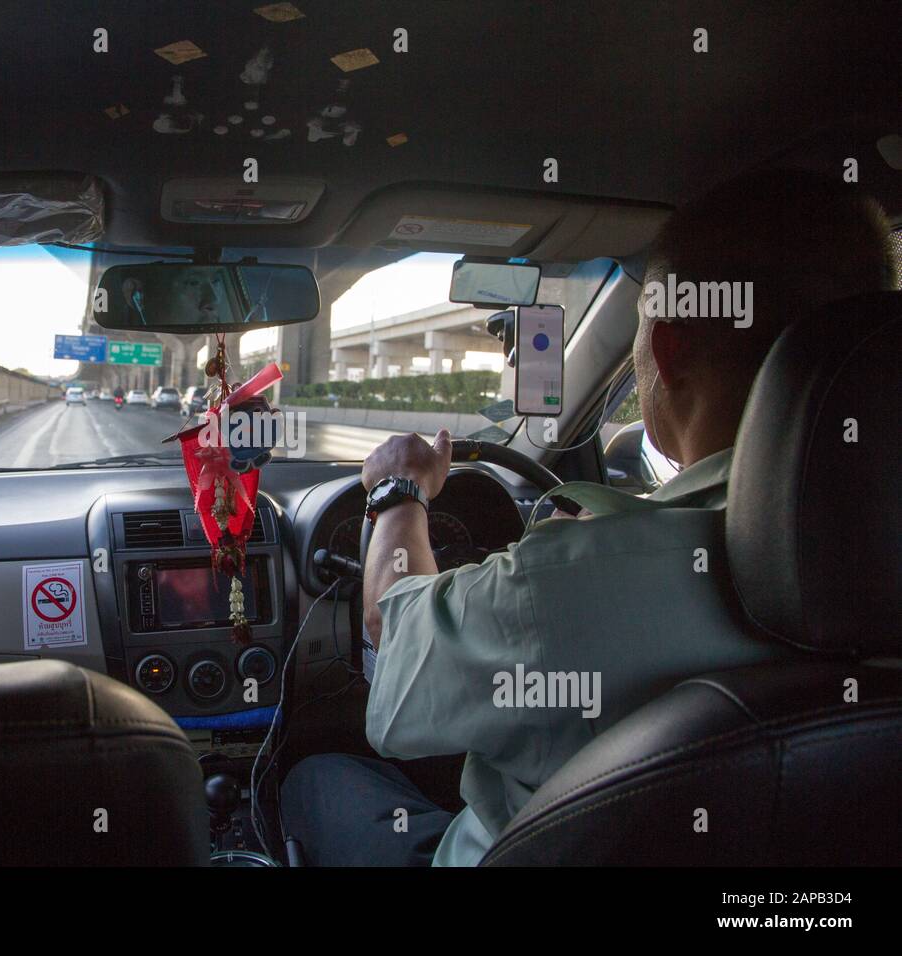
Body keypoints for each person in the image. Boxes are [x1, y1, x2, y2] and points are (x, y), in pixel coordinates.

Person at [279, 171, 897, 866]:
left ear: (669, 349)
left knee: (317, 779)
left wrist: (396, 491)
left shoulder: (579, 576)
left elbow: (396, 655)